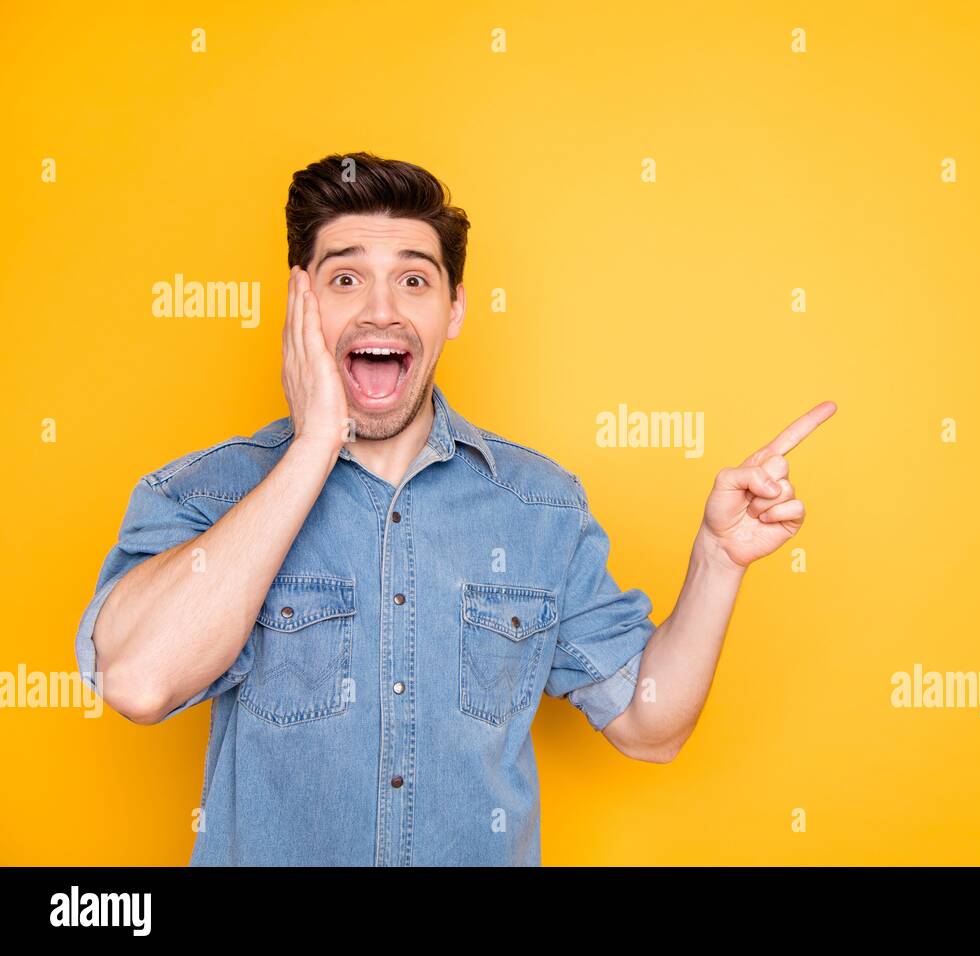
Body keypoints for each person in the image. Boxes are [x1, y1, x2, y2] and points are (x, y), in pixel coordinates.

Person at [74, 151, 836, 865]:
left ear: (455, 308)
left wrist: (718, 560)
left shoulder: (539, 506)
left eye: (414, 280)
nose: (381, 310)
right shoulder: (203, 494)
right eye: (345, 280)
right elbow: (138, 682)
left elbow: (650, 728)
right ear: (300, 300)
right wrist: (314, 445)